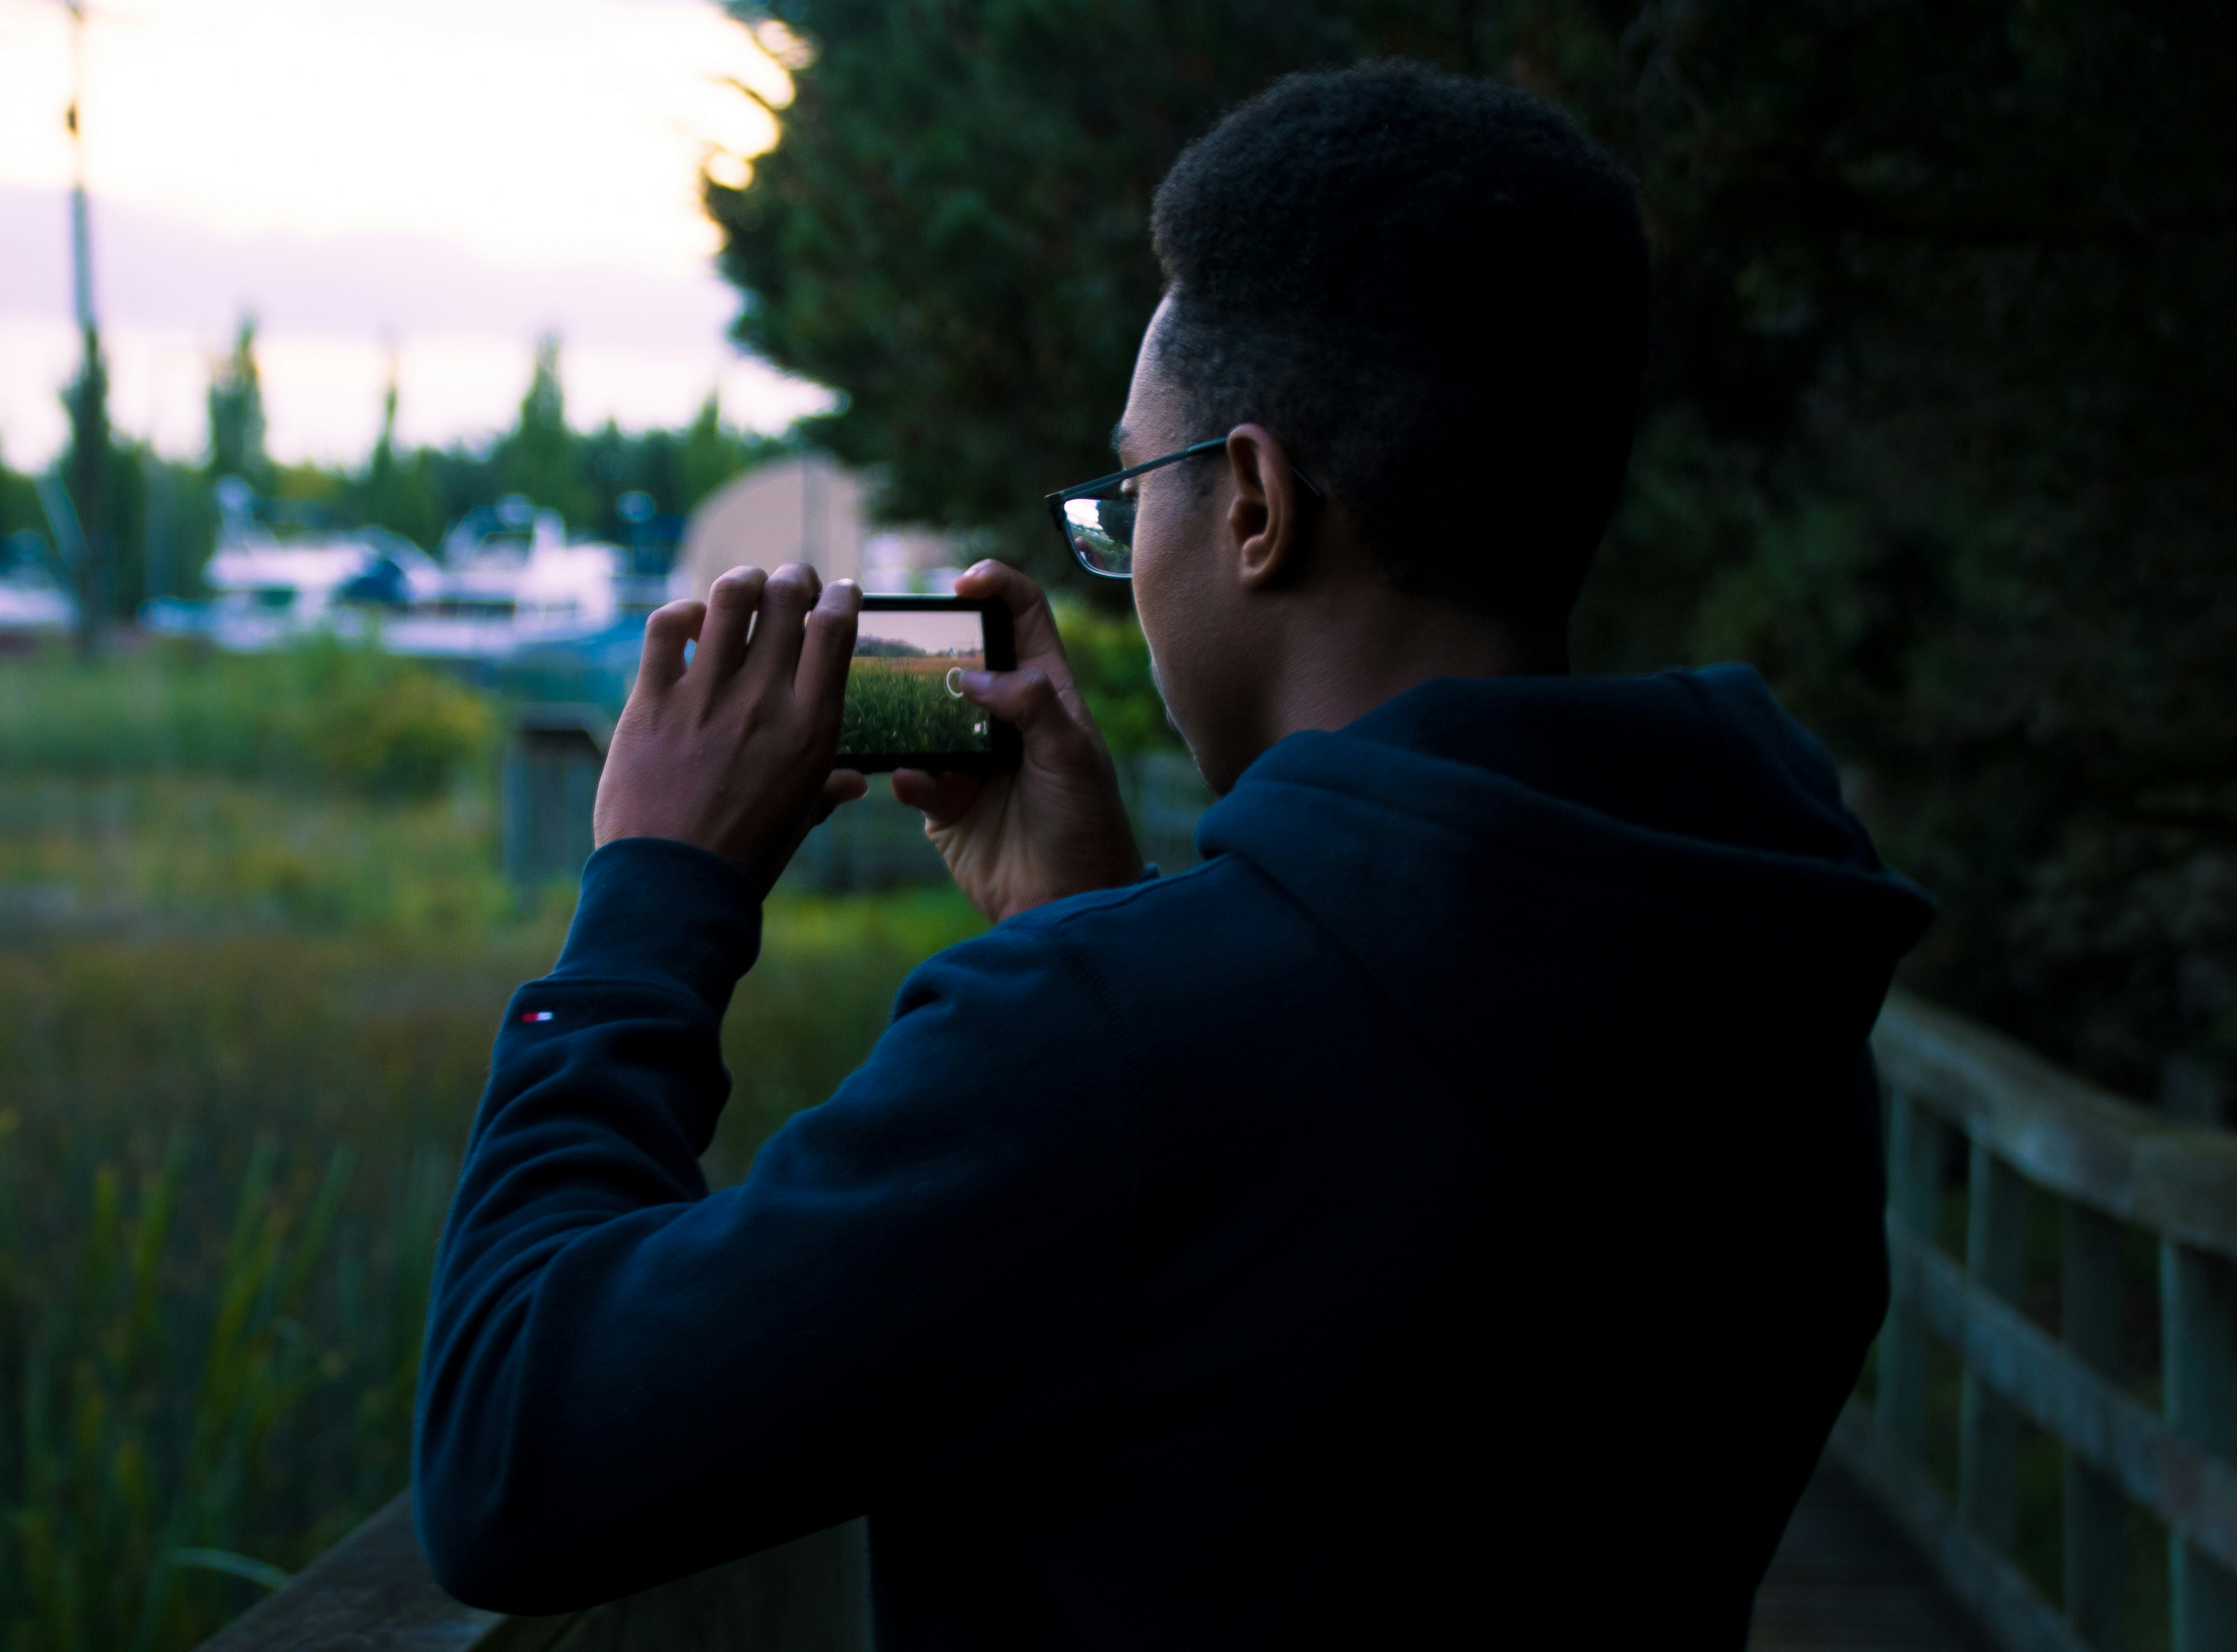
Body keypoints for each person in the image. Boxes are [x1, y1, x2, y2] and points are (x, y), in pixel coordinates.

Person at [414, 62, 1932, 1647]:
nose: (1120, 554)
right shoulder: (1764, 962)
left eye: (1127, 493)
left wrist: (657, 896)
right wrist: (1098, 927)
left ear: (1258, 505)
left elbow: (517, 1452)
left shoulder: (1111, 1053)